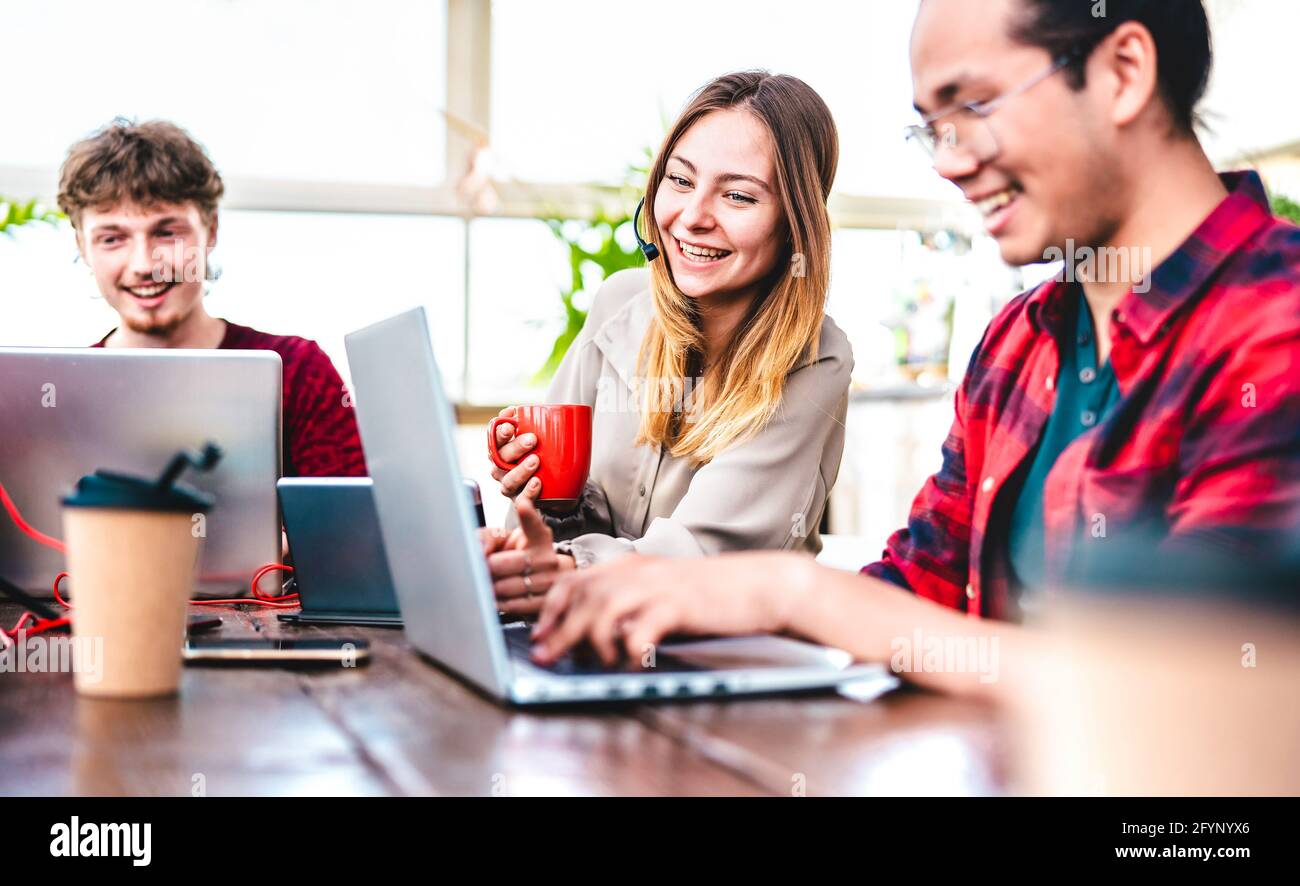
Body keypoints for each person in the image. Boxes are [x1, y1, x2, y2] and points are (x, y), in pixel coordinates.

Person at [528, 0, 1300, 695]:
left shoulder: (1276, 322)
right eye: (932, 127)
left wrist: (786, 591)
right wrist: (688, 594)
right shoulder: (1019, 345)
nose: (950, 162)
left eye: (976, 105)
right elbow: (917, 591)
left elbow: (1196, 685)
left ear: (1123, 74)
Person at [482, 71, 854, 615]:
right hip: (584, 636)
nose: (693, 217)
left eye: (737, 195)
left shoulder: (815, 359)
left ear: (795, 224)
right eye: (680, 181)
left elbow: (701, 557)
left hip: (724, 661)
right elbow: (537, 533)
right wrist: (546, 501)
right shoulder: (619, 306)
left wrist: (563, 568)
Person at [58, 118, 366, 478]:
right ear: (83, 245)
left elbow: (351, 530)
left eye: (167, 232)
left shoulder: (295, 372)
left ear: (212, 229)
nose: (144, 265)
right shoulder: (59, 393)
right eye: (112, 239)